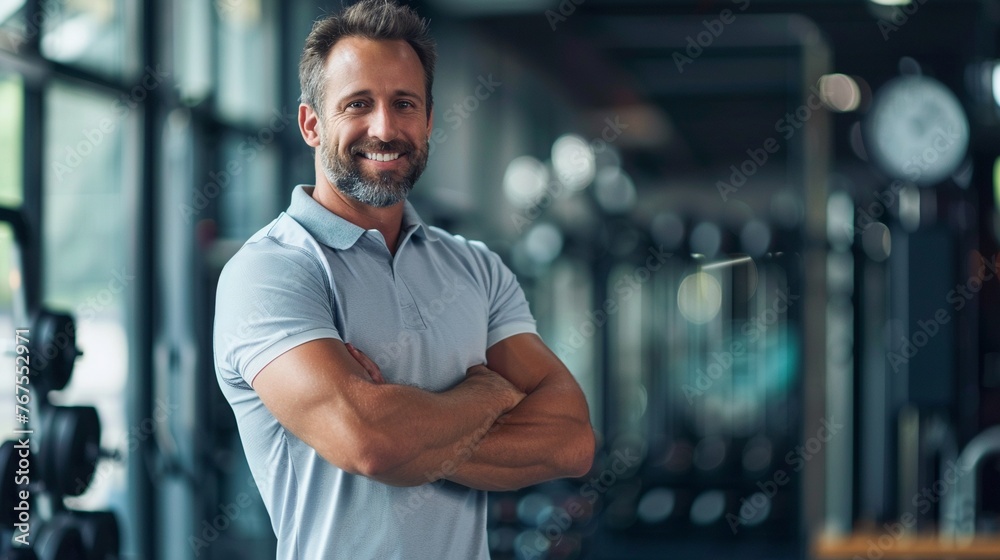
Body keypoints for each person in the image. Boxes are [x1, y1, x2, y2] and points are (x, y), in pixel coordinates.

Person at [213, 1, 595, 558]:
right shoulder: (270, 271)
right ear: (312, 124)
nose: (385, 128)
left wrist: (408, 434)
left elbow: (572, 440)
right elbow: (371, 445)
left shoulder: (477, 267)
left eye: (404, 104)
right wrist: (489, 392)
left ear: (430, 118)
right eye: (358, 104)